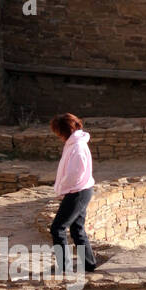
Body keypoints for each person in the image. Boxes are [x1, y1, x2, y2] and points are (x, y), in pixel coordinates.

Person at [50, 113, 98, 274]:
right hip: (81, 190)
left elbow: (74, 173)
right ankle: (89, 264)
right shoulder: (74, 143)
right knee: (77, 229)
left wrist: (61, 187)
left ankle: (65, 268)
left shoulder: (77, 146)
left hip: (77, 192)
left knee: (57, 228)